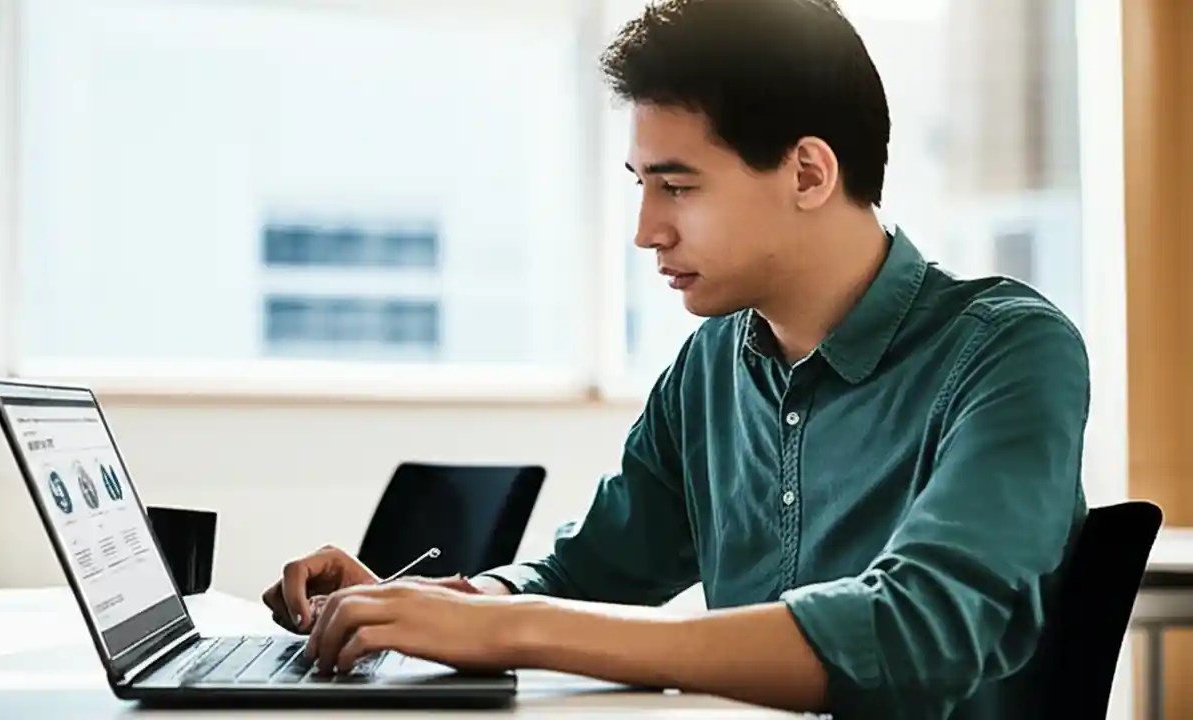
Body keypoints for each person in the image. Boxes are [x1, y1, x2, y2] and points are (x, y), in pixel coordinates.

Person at [262, 1, 1088, 717]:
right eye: (640, 185)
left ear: (807, 171)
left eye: (679, 186)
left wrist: (511, 631)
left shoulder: (1009, 350)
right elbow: (593, 569)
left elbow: (917, 633)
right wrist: (450, 604)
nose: (646, 229)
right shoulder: (709, 366)